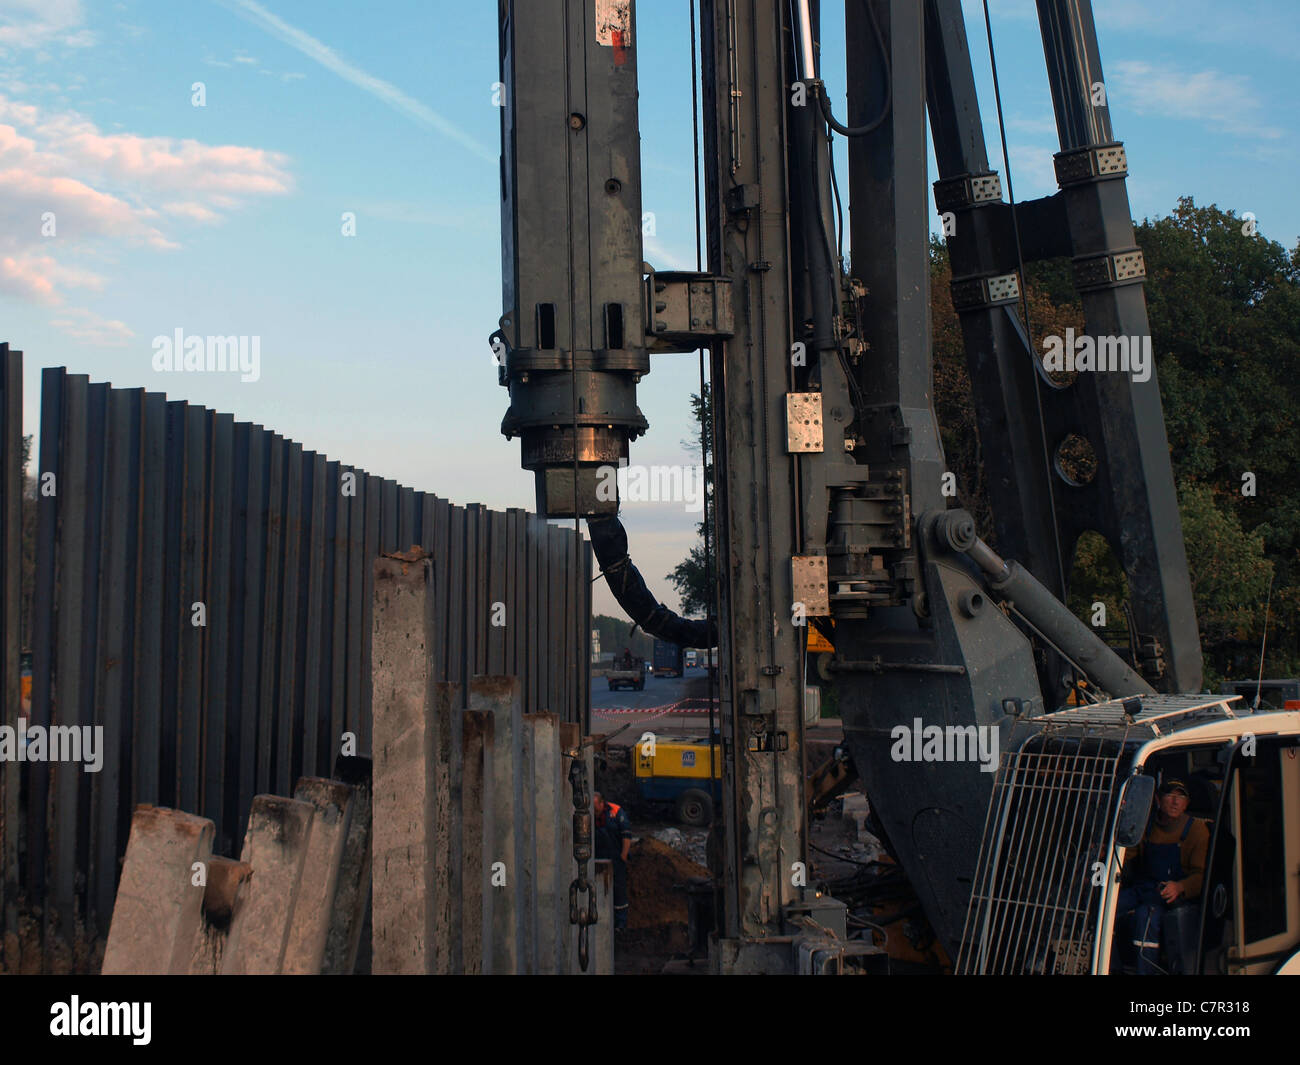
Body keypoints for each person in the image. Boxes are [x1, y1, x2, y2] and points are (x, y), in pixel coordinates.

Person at [1116, 779, 1210, 974]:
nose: (1175, 802)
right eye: (1170, 795)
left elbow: (1202, 875)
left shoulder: (1196, 830)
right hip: (1143, 889)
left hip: (1170, 896)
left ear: (1187, 803)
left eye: (1181, 796)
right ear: (1158, 799)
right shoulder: (1146, 825)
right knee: (1107, 908)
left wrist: (1180, 887)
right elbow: (1127, 854)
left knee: (1146, 918)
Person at [593, 790, 632, 931]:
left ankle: (620, 923)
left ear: (602, 803)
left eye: (596, 808)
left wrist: (624, 855)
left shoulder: (616, 812)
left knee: (618, 888)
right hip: (597, 856)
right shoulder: (590, 814)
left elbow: (626, 834)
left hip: (615, 857)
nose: (594, 812)